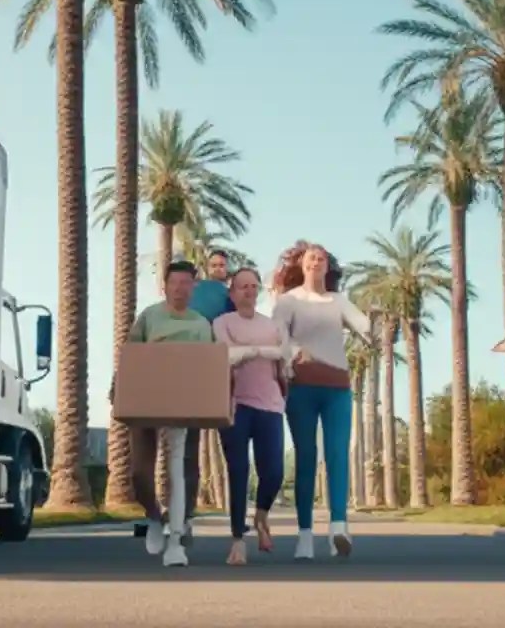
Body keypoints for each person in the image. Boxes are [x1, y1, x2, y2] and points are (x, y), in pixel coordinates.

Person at [270, 241, 371, 560]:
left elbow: (365, 327)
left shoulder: (338, 300)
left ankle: (339, 528)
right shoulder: (287, 301)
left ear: (328, 267)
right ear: (301, 264)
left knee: (338, 454)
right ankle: (304, 536)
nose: (317, 261)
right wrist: (292, 357)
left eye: (322, 258)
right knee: (306, 458)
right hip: (301, 387)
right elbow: (278, 339)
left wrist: (376, 326)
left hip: (337, 386)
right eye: (312, 257)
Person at [120, 260, 210, 566]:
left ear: (193, 287)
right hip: (147, 397)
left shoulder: (200, 325)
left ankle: (176, 539)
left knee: (182, 470)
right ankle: (154, 517)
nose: (180, 288)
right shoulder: (150, 316)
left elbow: (207, 365)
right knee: (140, 472)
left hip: (185, 401)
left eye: (186, 283)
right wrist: (118, 387)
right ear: (165, 285)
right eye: (175, 283)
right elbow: (131, 353)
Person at [211, 267, 289, 566]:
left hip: (269, 404)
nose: (249, 291)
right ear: (232, 293)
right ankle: (237, 539)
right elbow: (227, 355)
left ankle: (262, 515)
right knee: (238, 471)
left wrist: (257, 351)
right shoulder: (221, 323)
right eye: (243, 286)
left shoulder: (272, 326)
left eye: (254, 286)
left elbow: (284, 358)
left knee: (274, 473)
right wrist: (262, 350)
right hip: (234, 406)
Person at [189, 249, 236, 323]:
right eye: (214, 265)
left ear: (227, 268)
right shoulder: (194, 288)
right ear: (208, 268)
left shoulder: (232, 296)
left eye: (221, 265)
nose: (217, 269)